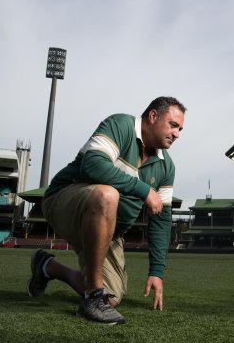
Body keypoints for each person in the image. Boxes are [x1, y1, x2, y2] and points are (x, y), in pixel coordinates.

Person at [26, 96, 186, 325]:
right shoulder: (121, 125)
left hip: (110, 230)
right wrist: (143, 190)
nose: (177, 134)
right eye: (173, 125)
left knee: (111, 297)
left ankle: (47, 266)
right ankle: (92, 297)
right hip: (64, 198)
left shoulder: (166, 166)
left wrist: (157, 272)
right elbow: (92, 165)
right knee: (107, 195)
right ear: (153, 116)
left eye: (180, 129)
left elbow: (161, 219)